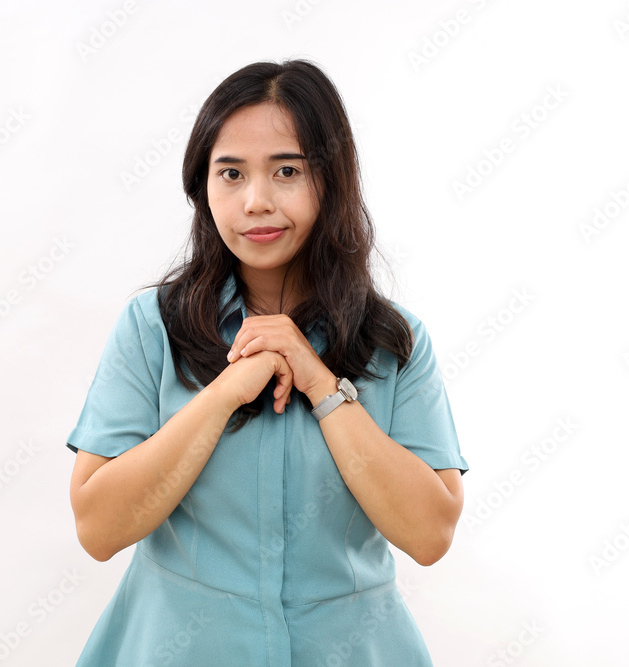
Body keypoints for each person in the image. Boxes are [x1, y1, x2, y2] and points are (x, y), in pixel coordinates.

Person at [67, 58, 469, 666]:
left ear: (332, 180)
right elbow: (98, 529)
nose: (256, 201)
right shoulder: (152, 328)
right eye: (231, 173)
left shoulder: (396, 341)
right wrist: (225, 392)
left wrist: (322, 385)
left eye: (287, 171)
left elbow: (430, 534)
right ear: (203, 186)